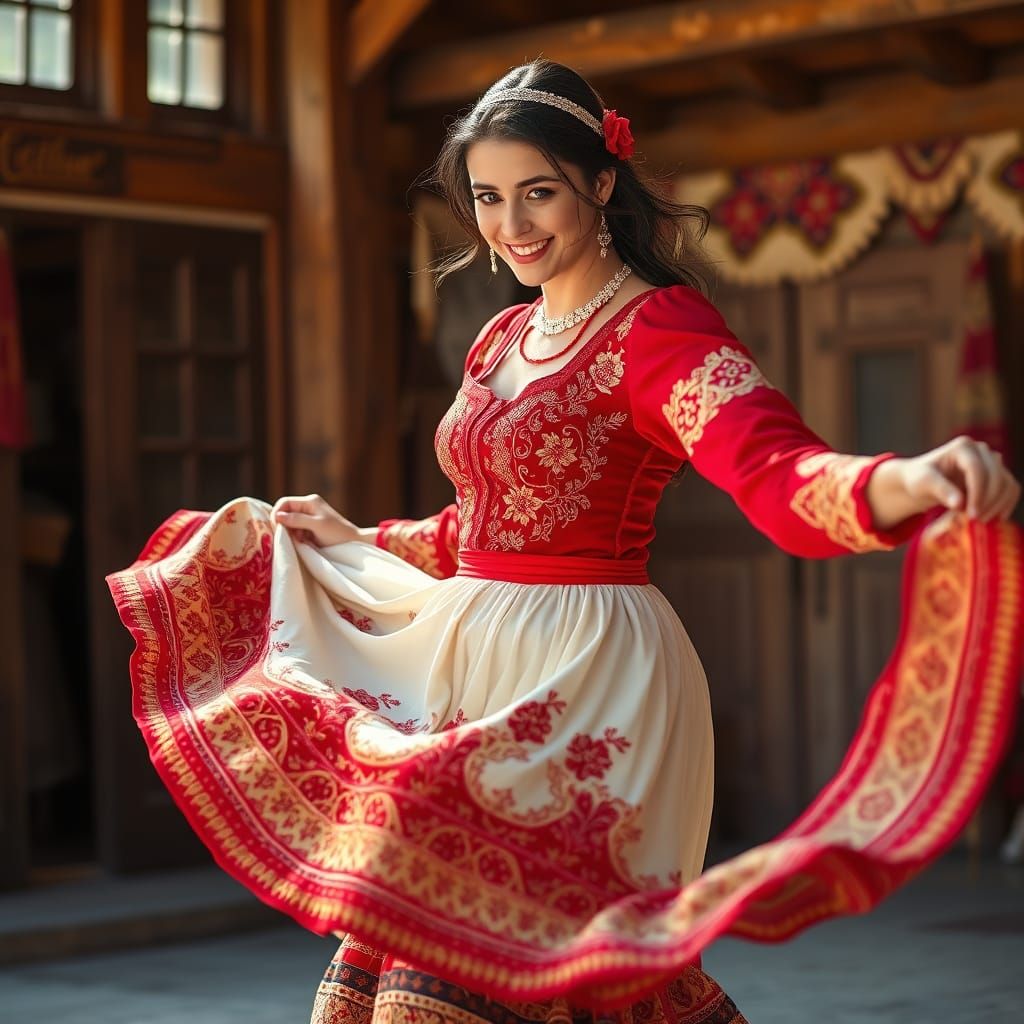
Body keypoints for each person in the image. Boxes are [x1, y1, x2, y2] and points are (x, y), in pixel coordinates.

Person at [108, 60, 1021, 1024]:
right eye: (489, 198)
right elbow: (489, 523)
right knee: (435, 957)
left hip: (589, 671)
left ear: (601, 181)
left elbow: (775, 473)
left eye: (537, 192)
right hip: (473, 657)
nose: (511, 227)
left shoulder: (658, 329)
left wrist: (905, 482)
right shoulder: (498, 339)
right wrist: (359, 537)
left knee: (468, 949)